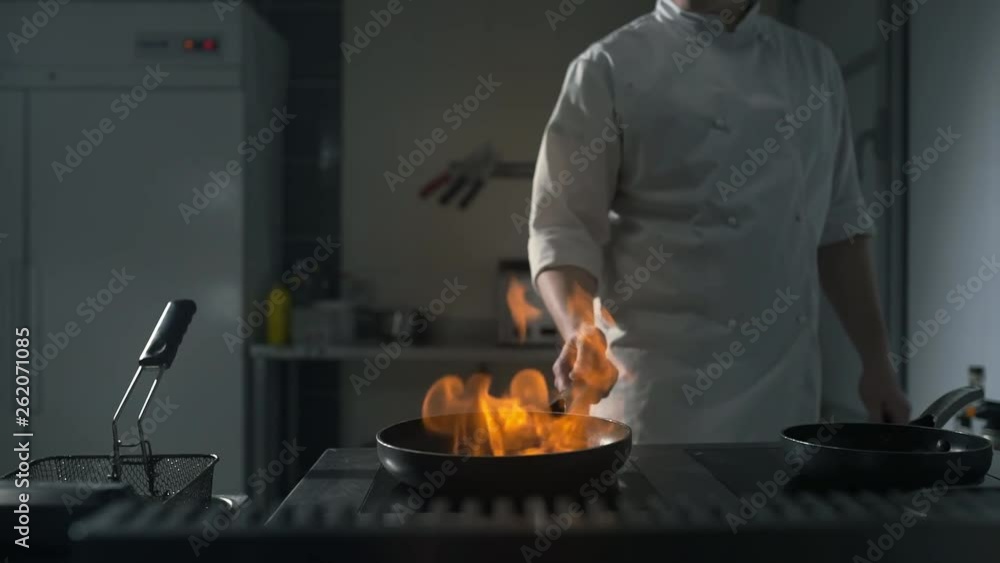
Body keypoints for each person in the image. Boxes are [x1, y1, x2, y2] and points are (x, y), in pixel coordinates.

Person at [527, 0, 910, 444]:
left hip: (780, 402)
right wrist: (578, 330)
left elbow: (839, 229)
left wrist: (877, 363)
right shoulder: (607, 66)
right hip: (656, 404)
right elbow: (562, 227)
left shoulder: (813, 66)